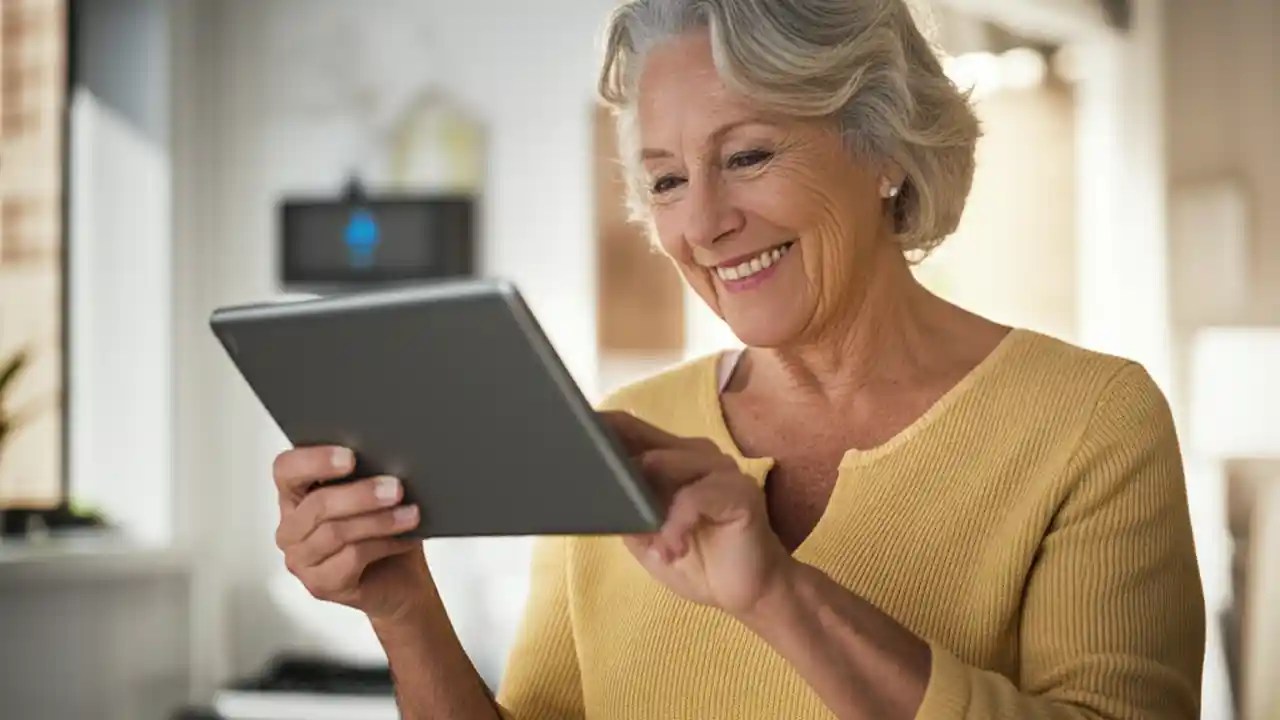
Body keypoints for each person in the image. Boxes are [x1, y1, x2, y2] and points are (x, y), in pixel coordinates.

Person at [268, 1, 1205, 717]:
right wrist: (403, 611)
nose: (705, 225)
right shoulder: (619, 435)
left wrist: (779, 597)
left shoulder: (1091, 421)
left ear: (883, 148)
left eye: (750, 155)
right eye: (668, 179)